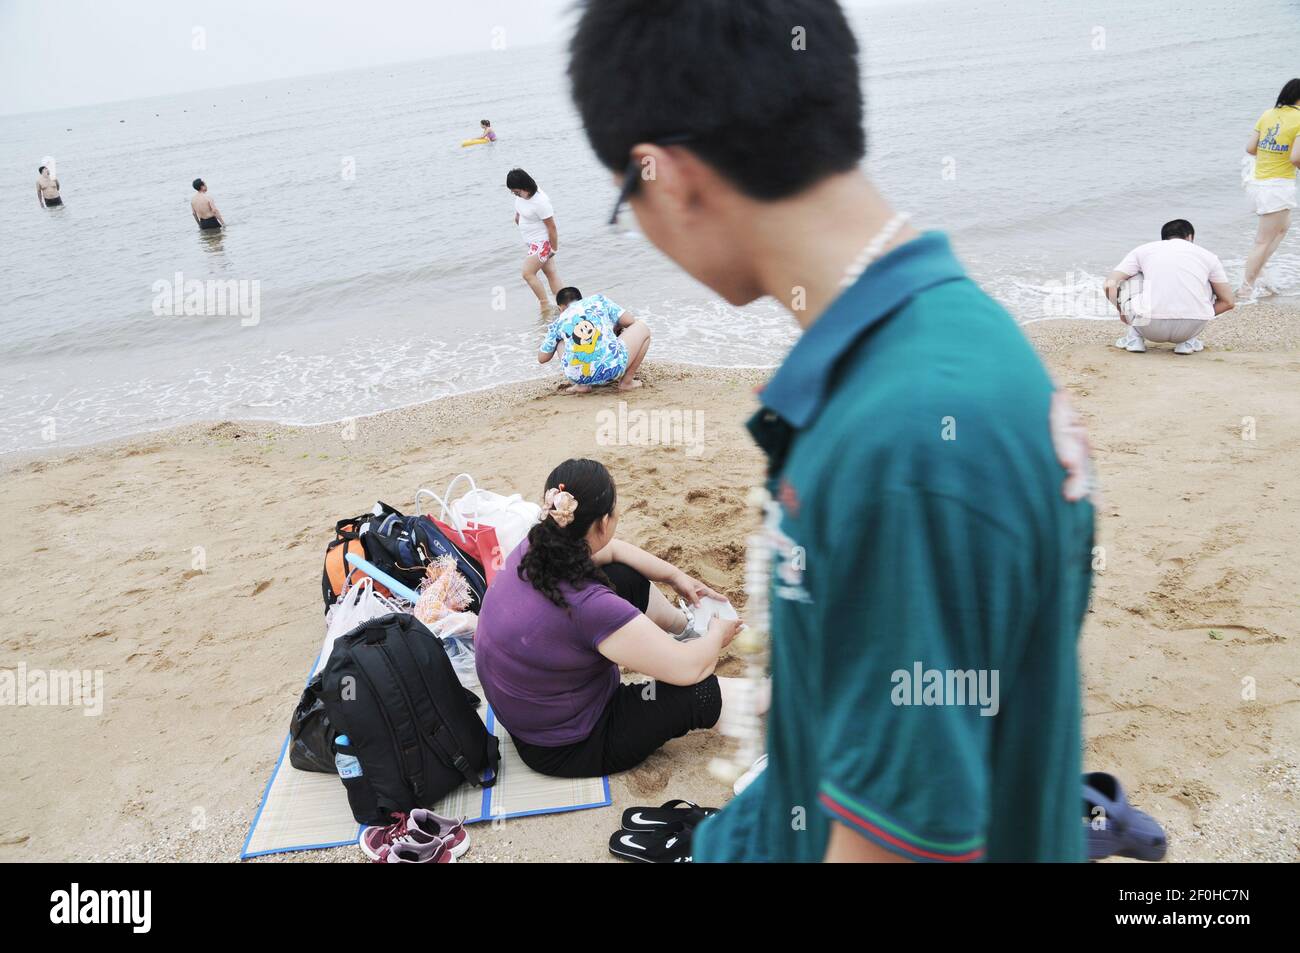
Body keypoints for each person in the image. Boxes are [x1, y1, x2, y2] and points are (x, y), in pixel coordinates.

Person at [569, 0, 1095, 863]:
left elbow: (910, 843)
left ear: (666, 174)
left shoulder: (902, 434)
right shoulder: (950, 338)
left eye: (629, 201)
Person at [474, 459, 750, 779]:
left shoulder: (539, 545)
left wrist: (676, 577)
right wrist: (717, 635)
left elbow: (614, 552)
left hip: (531, 712)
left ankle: (685, 630)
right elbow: (690, 670)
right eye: (615, 512)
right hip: (568, 746)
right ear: (603, 523)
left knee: (621, 576)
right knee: (696, 692)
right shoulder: (588, 605)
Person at [1105, 219, 1235, 355]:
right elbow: (1228, 302)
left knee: (1135, 276)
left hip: (1147, 326)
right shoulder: (1208, 256)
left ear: (1163, 239)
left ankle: (1134, 339)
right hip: (1191, 328)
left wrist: (1123, 312)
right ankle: (1187, 342)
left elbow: (1109, 285)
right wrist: (1201, 314)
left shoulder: (1144, 250)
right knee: (1205, 283)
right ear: (1190, 237)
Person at [1241, 78, 1300, 297]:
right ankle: (1246, 288)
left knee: (1283, 228)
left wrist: (1272, 154)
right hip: (1276, 187)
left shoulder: (1268, 114)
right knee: (1262, 240)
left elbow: (1250, 148)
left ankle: (1260, 274)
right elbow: (1295, 158)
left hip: (1257, 184)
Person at [538, 286, 651, 393]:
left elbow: (542, 358)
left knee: (560, 342)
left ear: (560, 308)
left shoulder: (558, 321)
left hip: (578, 377)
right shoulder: (598, 300)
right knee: (642, 328)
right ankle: (626, 382)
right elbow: (629, 321)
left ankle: (581, 386)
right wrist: (614, 327)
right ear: (581, 299)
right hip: (613, 368)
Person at [506, 168, 562, 315]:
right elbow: (520, 208)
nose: (515, 195)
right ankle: (565, 304)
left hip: (542, 243)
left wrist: (553, 249)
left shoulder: (540, 202)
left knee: (527, 273)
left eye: (517, 191)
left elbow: (552, 227)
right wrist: (517, 217)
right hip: (532, 243)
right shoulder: (522, 197)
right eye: (513, 192)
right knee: (551, 273)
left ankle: (545, 306)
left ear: (526, 186)